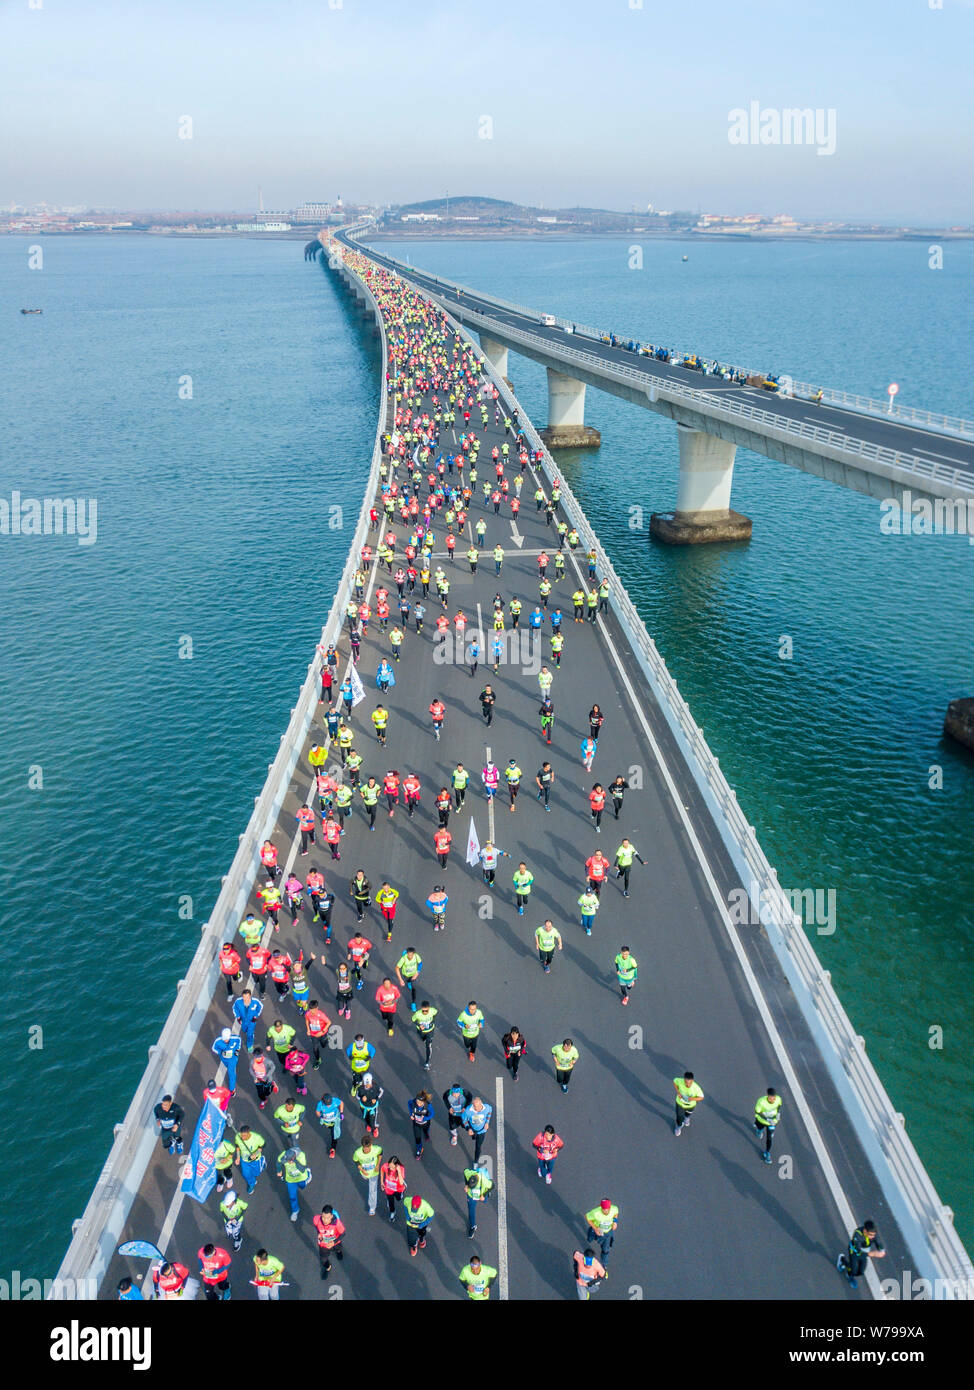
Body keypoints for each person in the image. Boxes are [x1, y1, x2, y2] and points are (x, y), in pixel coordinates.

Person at [837, 1221, 885, 1290]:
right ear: (865, 1231)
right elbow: (858, 1251)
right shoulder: (857, 1234)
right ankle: (843, 1262)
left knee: (861, 1271)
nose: (872, 1237)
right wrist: (872, 1254)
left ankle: (849, 1269)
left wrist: (882, 1250)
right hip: (854, 1252)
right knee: (853, 1270)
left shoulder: (873, 1233)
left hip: (864, 1252)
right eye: (870, 1235)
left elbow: (878, 1242)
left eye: (873, 1235)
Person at [276, 1146, 312, 1222]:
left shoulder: (301, 1155)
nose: (287, 1162)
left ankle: (309, 1173)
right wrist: (279, 1171)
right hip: (290, 1180)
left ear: (293, 1157)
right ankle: (295, 1210)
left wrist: (295, 1161)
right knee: (292, 1197)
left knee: (302, 1186)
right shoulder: (283, 1155)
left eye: (288, 1160)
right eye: (286, 1160)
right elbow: (278, 1162)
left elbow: (302, 1169)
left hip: (301, 1177)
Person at [352, 1136, 383, 1215]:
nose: (367, 1150)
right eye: (365, 1148)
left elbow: (380, 1153)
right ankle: (365, 1175)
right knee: (365, 1178)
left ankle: (372, 1207)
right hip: (364, 1173)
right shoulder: (357, 1153)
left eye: (368, 1148)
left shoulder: (376, 1149)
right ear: (362, 1146)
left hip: (373, 1173)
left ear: (371, 1145)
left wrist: (378, 1165)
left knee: (372, 1191)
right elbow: (356, 1161)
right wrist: (361, 1169)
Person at [584, 1200, 619, 1268]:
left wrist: (615, 1222)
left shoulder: (614, 1209)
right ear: (601, 1207)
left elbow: (616, 1213)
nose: (606, 1211)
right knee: (590, 1238)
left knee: (605, 1250)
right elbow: (587, 1217)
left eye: (607, 1209)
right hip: (597, 1230)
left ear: (610, 1207)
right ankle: (591, 1235)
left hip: (607, 1233)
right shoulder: (595, 1212)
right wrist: (595, 1228)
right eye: (604, 1210)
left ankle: (604, 1265)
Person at [313, 1206, 345, 1279]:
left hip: (335, 1242)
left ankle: (338, 1252)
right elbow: (316, 1226)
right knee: (323, 1260)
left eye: (327, 1218)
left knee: (338, 1249)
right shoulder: (316, 1219)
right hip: (323, 1245)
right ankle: (328, 1267)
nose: (325, 1220)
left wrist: (333, 1242)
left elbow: (343, 1233)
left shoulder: (337, 1223)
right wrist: (318, 1233)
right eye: (323, 1217)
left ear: (331, 1216)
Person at [753, 1087, 782, 1164]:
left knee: (770, 1138)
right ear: (767, 1096)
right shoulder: (761, 1101)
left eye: (774, 1098)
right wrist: (766, 1119)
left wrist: (778, 1113)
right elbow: (757, 1112)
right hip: (761, 1120)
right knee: (759, 1128)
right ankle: (759, 1130)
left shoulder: (778, 1099)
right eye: (771, 1098)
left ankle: (767, 1152)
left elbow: (779, 1105)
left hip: (772, 1122)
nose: (773, 1099)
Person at [464, 1162, 493, 1237]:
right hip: (471, 1196)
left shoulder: (483, 1179)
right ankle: (473, 1226)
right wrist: (466, 1185)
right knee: (471, 1211)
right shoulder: (469, 1174)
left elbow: (492, 1185)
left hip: (481, 1194)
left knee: (485, 1200)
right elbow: (465, 1171)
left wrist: (484, 1194)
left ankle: (487, 1194)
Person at [461, 1095, 493, 1162]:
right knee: (473, 1137)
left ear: (481, 1103)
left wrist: (487, 1122)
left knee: (478, 1146)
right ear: (472, 1105)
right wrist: (468, 1128)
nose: (477, 1108)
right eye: (475, 1106)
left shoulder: (487, 1107)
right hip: (473, 1129)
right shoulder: (468, 1110)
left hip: (482, 1131)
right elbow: (464, 1120)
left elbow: (490, 1112)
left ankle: (476, 1161)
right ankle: (473, 1136)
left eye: (478, 1106)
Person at [211, 1027, 242, 1094]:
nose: (225, 1041)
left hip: (232, 1059)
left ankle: (232, 1089)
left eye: (226, 1039)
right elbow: (214, 1048)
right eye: (224, 1039)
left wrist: (237, 1050)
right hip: (224, 1059)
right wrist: (220, 1052)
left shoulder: (235, 1038)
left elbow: (239, 1040)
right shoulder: (218, 1041)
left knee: (231, 1074)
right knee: (228, 1068)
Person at [673, 1071, 704, 1136]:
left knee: (688, 1114)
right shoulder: (680, 1081)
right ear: (684, 1079)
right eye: (686, 1082)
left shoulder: (696, 1088)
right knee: (679, 1117)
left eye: (689, 1083)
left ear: (692, 1081)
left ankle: (686, 1118)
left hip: (691, 1105)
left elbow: (701, 1097)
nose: (687, 1085)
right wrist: (678, 1092)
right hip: (680, 1104)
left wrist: (692, 1099)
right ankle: (679, 1127)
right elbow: (674, 1081)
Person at [443, 1083, 473, 1148]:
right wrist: (449, 1108)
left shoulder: (465, 1092)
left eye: (457, 1094)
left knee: (466, 1125)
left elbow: (470, 1097)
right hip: (453, 1114)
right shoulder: (447, 1093)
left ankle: (471, 1131)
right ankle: (454, 1135)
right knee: (452, 1127)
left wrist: (465, 1107)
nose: (456, 1095)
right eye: (454, 1094)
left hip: (463, 1114)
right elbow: (445, 1100)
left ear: (460, 1092)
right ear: (452, 1091)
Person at [408, 1090, 435, 1157]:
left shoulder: (428, 1105)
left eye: (420, 1102)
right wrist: (411, 1113)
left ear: (424, 1101)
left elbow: (432, 1114)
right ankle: (419, 1149)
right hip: (416, 1123)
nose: (418, 1104)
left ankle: (426, 1134)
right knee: (417, 1137)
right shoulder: (413, 1102)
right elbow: (408, 1103)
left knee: (425, 1131)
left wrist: (425, 1118)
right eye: (417, 1101)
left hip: (425, 1123)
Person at [316, 1092, 344, 1157]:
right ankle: (334, 1139)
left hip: (335, 1120)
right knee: (331, 1130)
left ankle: (333, 1149)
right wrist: (320, 1116)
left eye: (330, 1104)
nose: (329, 1105)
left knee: (334, 1134)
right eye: (327, 1104)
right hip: (327, 1122)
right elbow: (317, 1112)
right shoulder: (320, 1104)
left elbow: (341, 1103)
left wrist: (341, 1113)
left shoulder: (334, 1100)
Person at [381, 1154, 408, 1221]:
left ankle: (404, 1188)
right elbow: (382, 1170)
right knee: (391, 1203)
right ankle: (392, 1212)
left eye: (392, 1167)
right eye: (389, 1165)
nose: (390, 1168)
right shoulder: (386, 1166)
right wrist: (381, 1182)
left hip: (398, 1189)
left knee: (398, 1199)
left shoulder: (401, 1169)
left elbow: (401, 1182)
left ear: (396, 1165)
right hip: (389, 1189)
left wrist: (398, 1171)